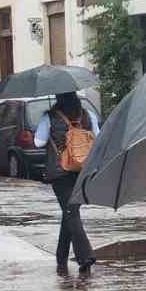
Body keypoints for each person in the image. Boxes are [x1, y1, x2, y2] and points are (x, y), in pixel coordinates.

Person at [34, 92, 100, 275]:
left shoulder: (50, 117)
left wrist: (47, 126)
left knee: (70, 212)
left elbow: (38, 142)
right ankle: (61, 257)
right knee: (71, 211)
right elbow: (98, 138)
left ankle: (85, 256)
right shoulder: (88, 114)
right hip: (82, 169)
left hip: (60, 171)